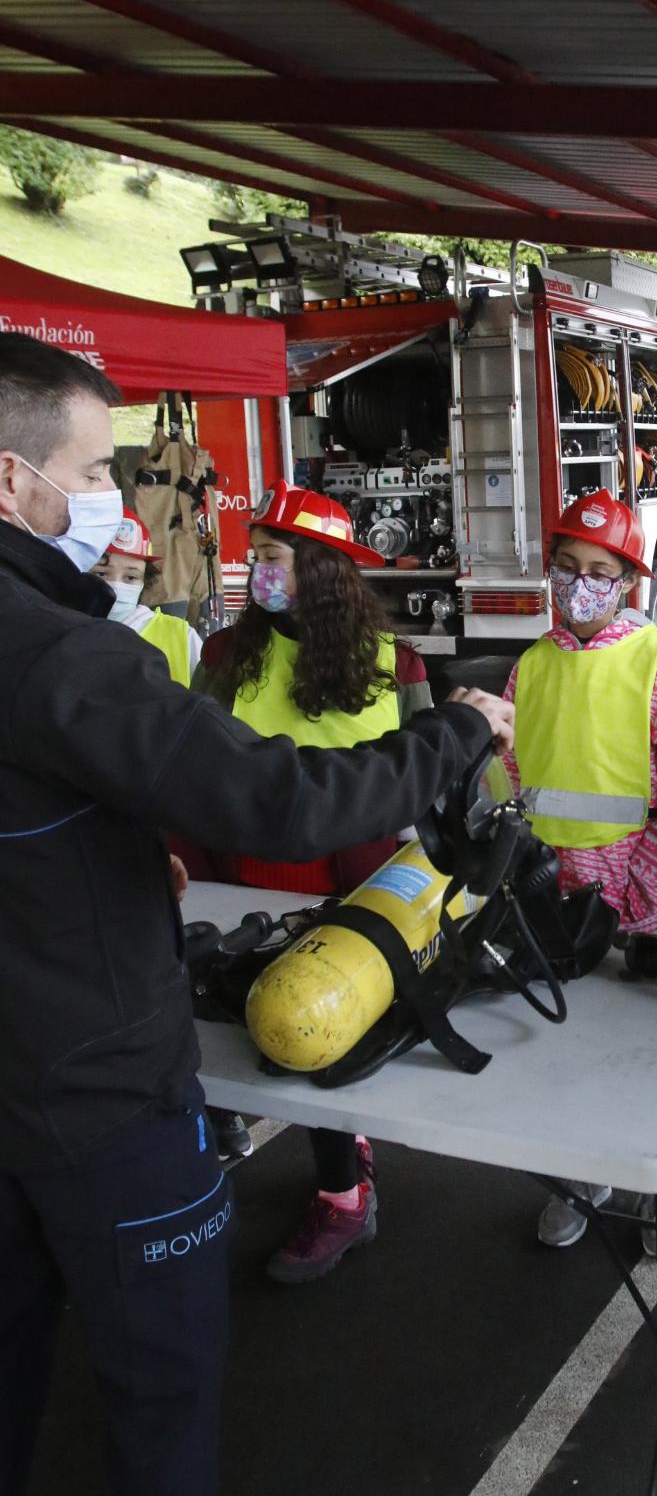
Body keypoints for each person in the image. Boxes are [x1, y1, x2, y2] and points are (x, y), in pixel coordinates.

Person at [0, 333, 511, 1496]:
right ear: (12, 480)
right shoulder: (56, 652)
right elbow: (273, 799)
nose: (112, 497)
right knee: (161, 1368)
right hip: (94, 1084)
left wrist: (100, 856)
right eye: (94, 471)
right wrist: (453, 736)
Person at [185, 480, 435, 1283]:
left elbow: (431, 783)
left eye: (273, 557)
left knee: (320, 1040)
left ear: (322, 571)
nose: (258, 571)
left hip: (345, 890)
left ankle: (343, 1194)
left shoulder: (396, 663)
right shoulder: (224, 655)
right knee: (237, 1029)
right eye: (256, 556)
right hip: (241, 878)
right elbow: (190, 769)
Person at [501, 489, 657, 1249]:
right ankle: (577, 1180)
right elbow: (511, 781)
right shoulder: (531, 666)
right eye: (567, 567)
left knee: (642, 1064)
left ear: (628, 582)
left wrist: (636, 892)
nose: (579, 585)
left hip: (633, 906)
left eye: (599, 572)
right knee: (556, 1054)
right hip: (544, 902)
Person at [90, 510, 202, 685]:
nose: (115, 587)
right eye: (101, 574)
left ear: (145, 581)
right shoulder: (61, 632)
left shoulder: (182, 637)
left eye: (130, 577)